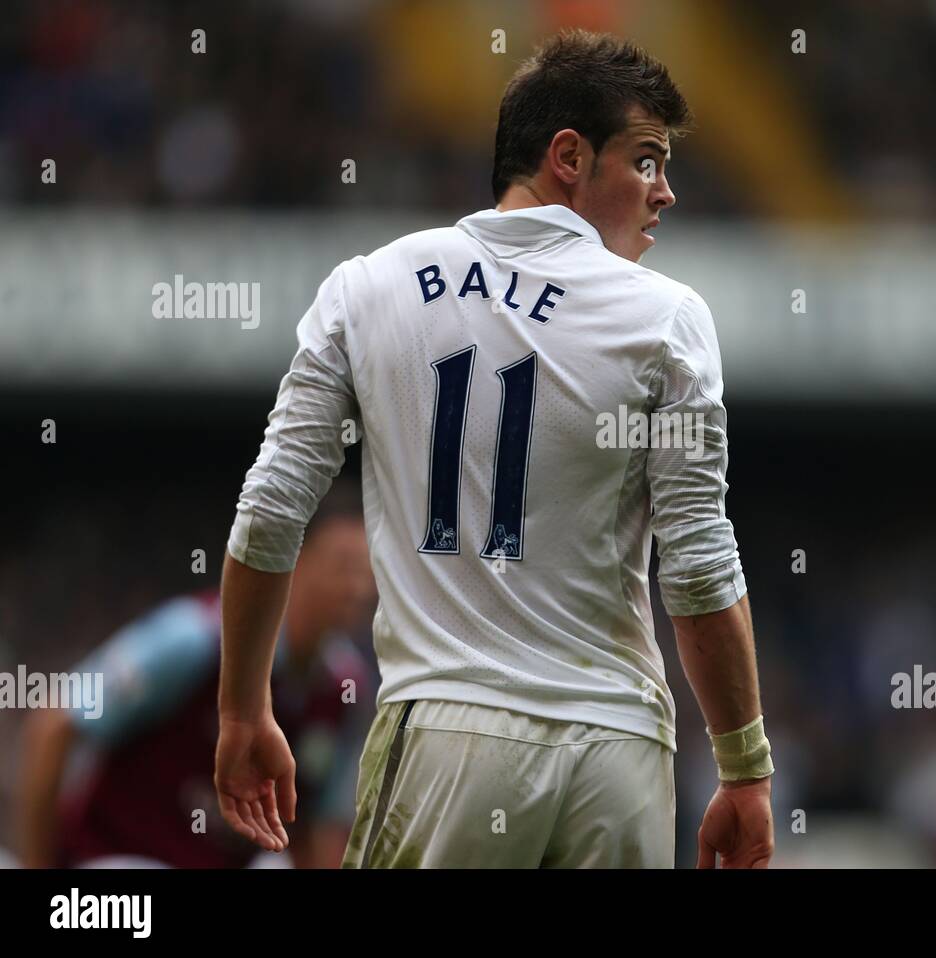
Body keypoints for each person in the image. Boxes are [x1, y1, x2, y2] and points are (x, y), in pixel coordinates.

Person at [217, 29, 774, 869]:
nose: (666, 195)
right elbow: (697, 568)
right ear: (568, 156)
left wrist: (240, 710)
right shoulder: (666, 317)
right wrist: (744, 771)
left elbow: (268, 512)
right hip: (617, 753)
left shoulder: (369, 287)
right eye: (649, 160)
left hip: (449, 736)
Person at [17, 483, 376, 868]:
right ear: (296, 559)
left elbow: (319, 828)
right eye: (343, 567)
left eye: (367, 572)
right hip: (121, 863)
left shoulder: (344, 688)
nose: (356, 588)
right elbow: (54, 723)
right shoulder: (192, 638)